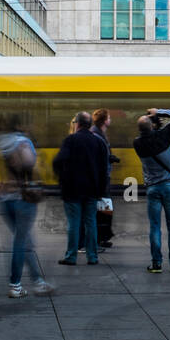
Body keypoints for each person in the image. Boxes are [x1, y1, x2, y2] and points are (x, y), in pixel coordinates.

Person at [0, 119, 53, 298]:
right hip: (23, 198)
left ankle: (38, 281)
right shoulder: (23, 143)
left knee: (24, 241)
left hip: (5, 200)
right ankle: (15, 285)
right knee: (21, 242)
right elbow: (29, 165)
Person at [133, 106, 170, 273]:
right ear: (153, 126)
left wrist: (152, 122)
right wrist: (158, 112)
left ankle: (156, 264)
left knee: (155, 226)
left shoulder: (137, 143)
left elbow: (149, 135)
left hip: (152, 188)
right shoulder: (164, 137)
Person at [52, 111, 107, 267]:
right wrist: (101, 189)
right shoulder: (98, 142)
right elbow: (104, 168)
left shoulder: (71, 140)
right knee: (91, 222)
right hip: (92, 189)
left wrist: (62, 179)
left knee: (74, 223)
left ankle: (71, 256)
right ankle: (92, 257)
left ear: (77, 123)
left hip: (72, 189)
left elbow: (58, 161)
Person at [90, 108, 118, 249]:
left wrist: (109, 158)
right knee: (104, 206)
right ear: (104, 120)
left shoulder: (98, 133)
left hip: (103, 175)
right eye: (109, 118)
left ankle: (103, 235)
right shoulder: (96, 134)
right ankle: (101, 236)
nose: (110, 120)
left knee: (104, 205)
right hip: (101, 177)